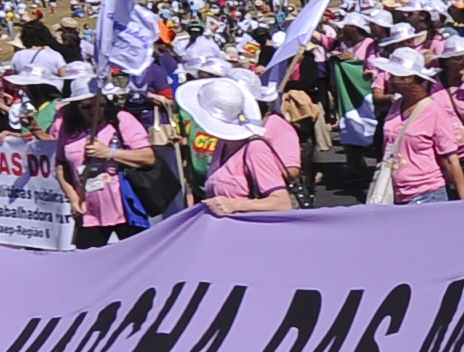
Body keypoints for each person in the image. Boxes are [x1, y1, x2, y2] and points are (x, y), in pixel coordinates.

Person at [53, 65, 156, 247]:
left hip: (124, 208)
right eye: (86, 107)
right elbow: (61, 166)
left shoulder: (121, 119)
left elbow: (148, 157)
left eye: (100, 104)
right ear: (76, 107)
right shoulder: (67, 128)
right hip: (89, 212)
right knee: (87, 264)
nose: (94, 111)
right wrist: (73, 197)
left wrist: (110, 153)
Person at [372, 46, 464, 206]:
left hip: (427, 194)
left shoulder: (434, 111)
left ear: (410, 78)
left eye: (394, 76)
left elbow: (450, 159)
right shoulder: (396, 106)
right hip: (396, 193)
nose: (390, 80)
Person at [177, 77, 291, 215]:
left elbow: (282, 203)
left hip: (250, 232)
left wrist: (235, 204)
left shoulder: (255, 149)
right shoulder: (222, 144)